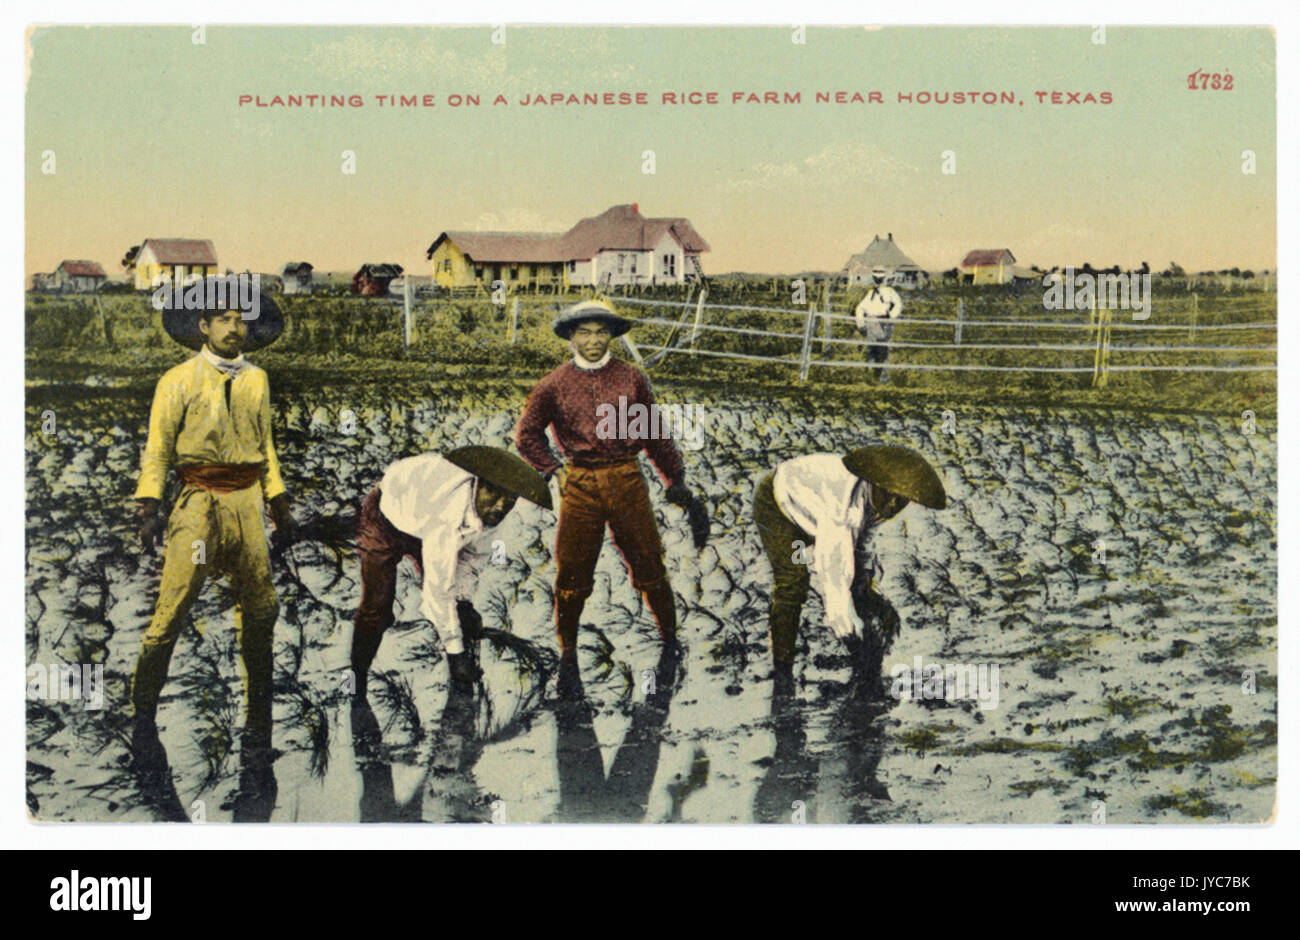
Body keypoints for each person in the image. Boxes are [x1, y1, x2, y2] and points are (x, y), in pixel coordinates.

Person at [131, 278, 294, 778]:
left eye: (241, 320)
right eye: (224, 319)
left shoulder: (257, 380)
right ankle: (141, 720)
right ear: (203, 326)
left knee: (262, 609)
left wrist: (279, 504)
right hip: (198, 503)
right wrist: (149, 508)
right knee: (173, 607)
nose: (234, 328)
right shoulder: (177, 380)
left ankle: (259, 724)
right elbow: (158, 450)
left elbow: (265, 445)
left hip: (246, 504)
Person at [515, 298, 708, 664]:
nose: (593, 340)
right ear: (571, 337)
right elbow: (527, 435)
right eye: (584, 332)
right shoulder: (553, 384)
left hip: (626, 479)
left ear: (612, 336)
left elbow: (654, 434)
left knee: (649, 561)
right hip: (580, 483)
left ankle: (670, 638)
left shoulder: (631, 378)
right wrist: (554, 469)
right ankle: (567, 650)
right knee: (572, 569)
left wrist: (675, 477)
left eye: (601, 332)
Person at [349, 445, 551, 694]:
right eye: (493, 494)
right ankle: (356, 679)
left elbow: (472, 559)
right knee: (377, 608)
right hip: (385, 516)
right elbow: (437, 592)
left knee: (458, 609)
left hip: (422, 520)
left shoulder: (493, 518)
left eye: (508, 500)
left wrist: (463, 601)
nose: (499, 506)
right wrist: (456, 652)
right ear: (478, 484)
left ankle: (459, 681)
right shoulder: (448, 512)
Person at [751, 445, 947, 695]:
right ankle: (783, 672)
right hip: (784, 512)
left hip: (812, 508)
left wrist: (863, 591)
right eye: (890, 496)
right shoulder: (843, 511)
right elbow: (833, 580)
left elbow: (857, 550)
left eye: (902, 501)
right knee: (794, 580)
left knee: (856, 584)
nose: (894, 505)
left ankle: (859, 667)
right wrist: (855, 639)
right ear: (876, 484)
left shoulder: (876, 500)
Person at [855, 267, 904, 380]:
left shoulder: (876, 292)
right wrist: (891, 315)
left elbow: (860, 309)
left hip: (877, 322)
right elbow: (899, 304)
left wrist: (861, 325)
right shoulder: (884, 292)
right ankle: (877, 376)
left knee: (876, 349)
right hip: (879, 322)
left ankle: (875, 375)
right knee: (878, 349)